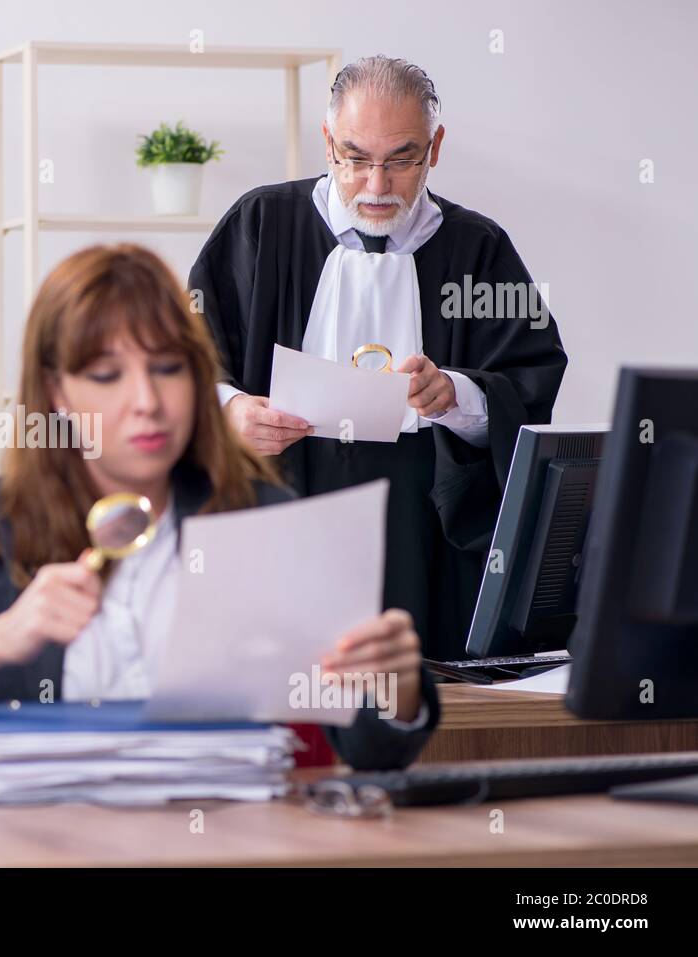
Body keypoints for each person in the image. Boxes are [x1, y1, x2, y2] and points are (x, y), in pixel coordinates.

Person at [0, 243, 439, 770]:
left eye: (166, 369)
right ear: (56, 391)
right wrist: (1, 636)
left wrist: (395, 684)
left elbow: (378, 749)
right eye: (106, 376)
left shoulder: (262, 520)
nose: (147, 402)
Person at [189, 55, 568, 660]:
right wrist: (229, 411)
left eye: (401, 159)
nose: (376, 185)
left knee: (418, 702)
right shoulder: (260, 224)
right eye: (355, 158)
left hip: (423, 527)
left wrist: (456, 395)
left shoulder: (479, 247)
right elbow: (188, 358)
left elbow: (532, 378)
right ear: (327, 142)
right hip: (283, 506)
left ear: (435, 148)